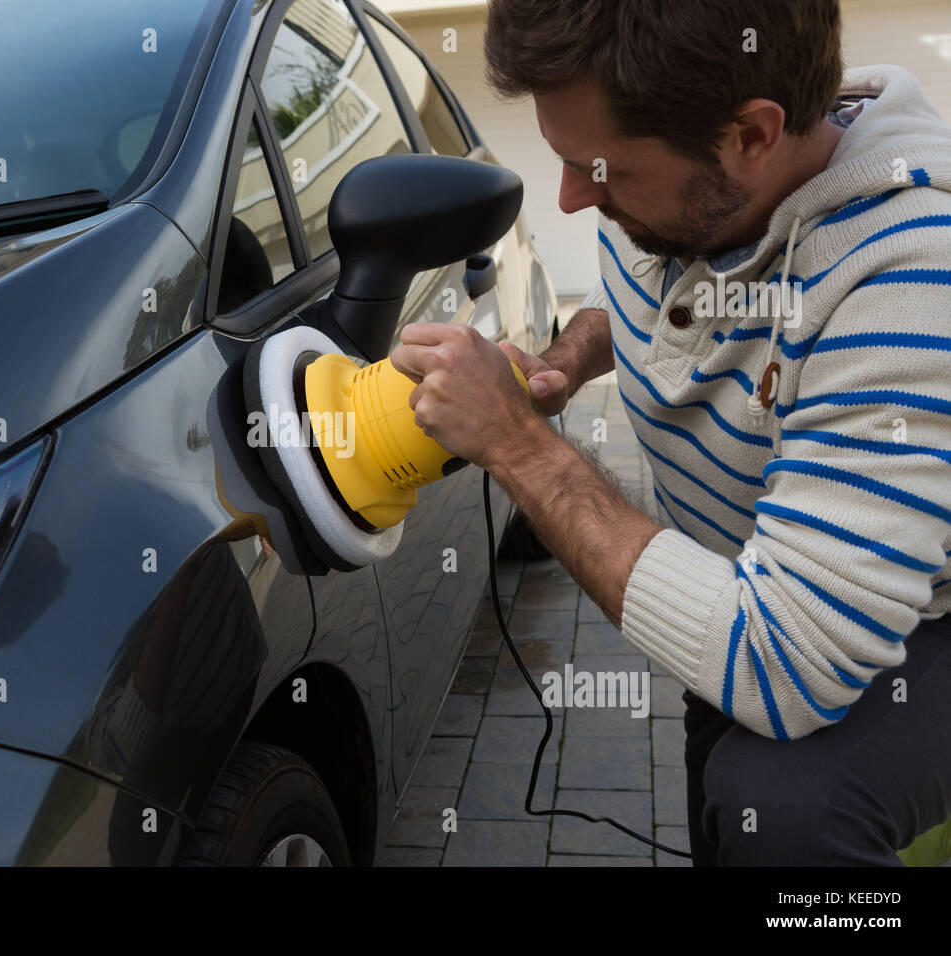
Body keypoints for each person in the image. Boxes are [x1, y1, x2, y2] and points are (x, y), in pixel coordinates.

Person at [389, 0, 951, 865]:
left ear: (753, 136)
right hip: (736, 578)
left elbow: (781, 663)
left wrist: (516, 444)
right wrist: (564, 361)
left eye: (600, 170)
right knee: (723, 802)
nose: (574, 198)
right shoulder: (697, 190)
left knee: (783, 809)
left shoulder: (908, 276)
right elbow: (647, 289)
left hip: (905, 616)